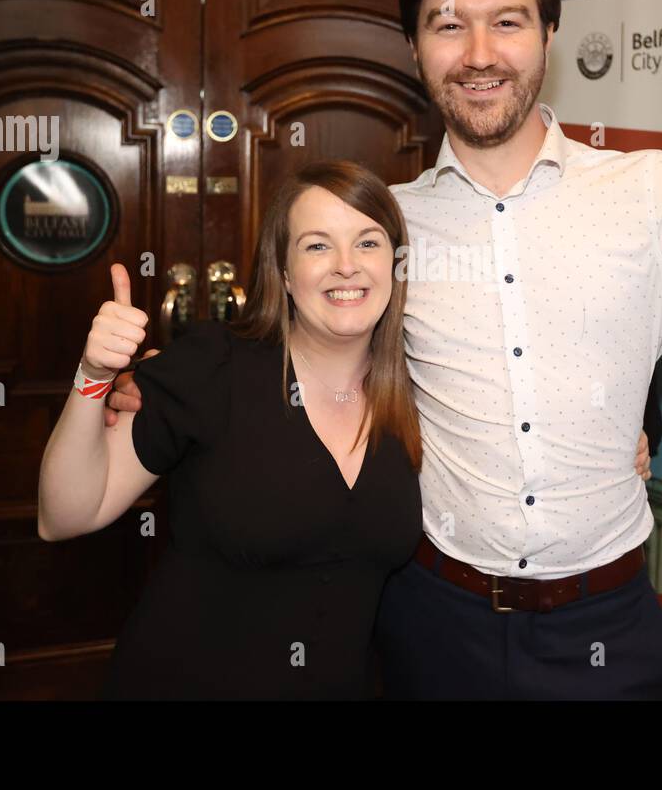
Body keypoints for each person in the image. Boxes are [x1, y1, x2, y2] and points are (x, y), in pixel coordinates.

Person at [111, 0, 662, 700]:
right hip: (430, 624)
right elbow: (283, 357)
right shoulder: (379, 229)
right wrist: (149, 389)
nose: (479, 54)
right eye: (447, 25)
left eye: (507, 22)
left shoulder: (655, 195)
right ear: (416, 48)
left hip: (607, 626)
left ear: (550, 35)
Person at [38, 161, 425, 699]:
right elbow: (64, 515)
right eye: (317, 246)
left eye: (367, 243)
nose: (345, 266)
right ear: (284, 273)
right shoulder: (213, 369)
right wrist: (93, 377)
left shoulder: (417, 392)